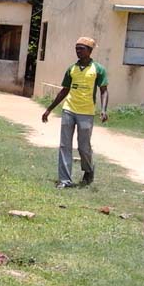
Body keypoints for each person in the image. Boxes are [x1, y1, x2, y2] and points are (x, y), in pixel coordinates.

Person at [41, 37, 109, 188]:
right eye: (76, 48)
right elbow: (64, 91)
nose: (78, 51)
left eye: (81, 48)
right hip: (69, 110)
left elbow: (104, 91)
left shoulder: (98, 69)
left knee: (83, 146)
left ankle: (88, 171)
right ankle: (65, 180)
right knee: (65, 145)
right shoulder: (71, 69)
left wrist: (104, 110)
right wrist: (49, 109)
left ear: (90, 51)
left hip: (86, 112)